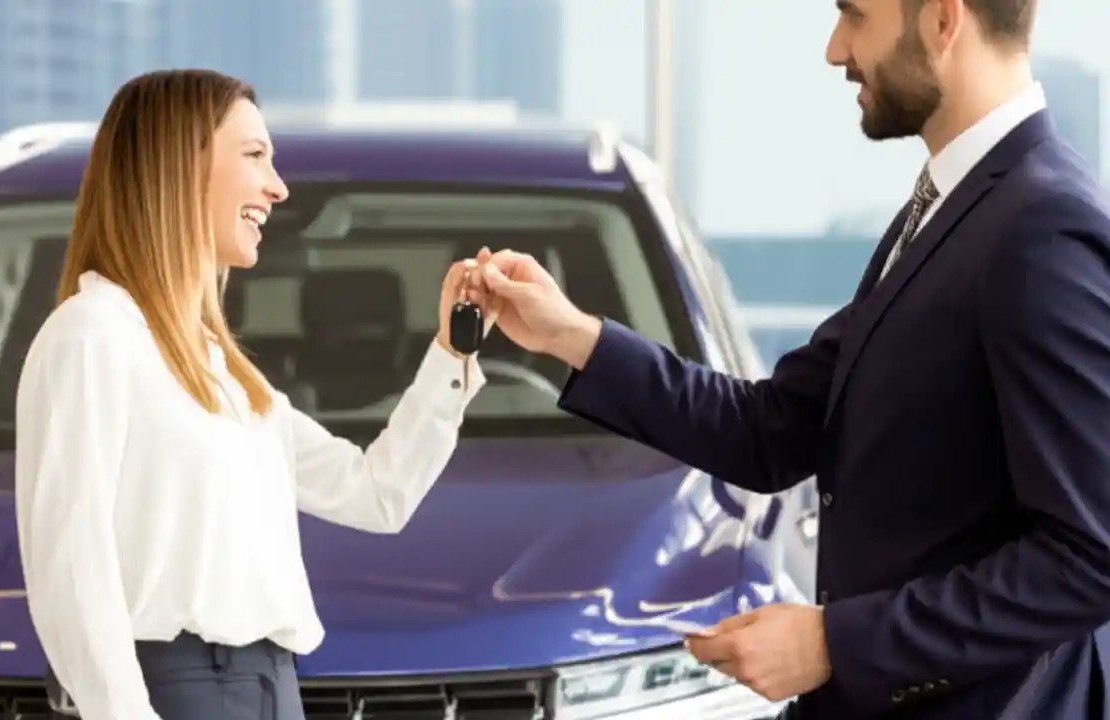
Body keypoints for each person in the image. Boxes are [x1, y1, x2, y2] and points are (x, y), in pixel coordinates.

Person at [466, 0, 1110, 717]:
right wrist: (569, 335)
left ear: (941, 19)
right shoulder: (948, 210)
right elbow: (771, 428)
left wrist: (836, 644)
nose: (836, 50)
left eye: (855, 16)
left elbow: (1090, 557)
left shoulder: (1042, 228)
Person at [14, 69, 490, 720]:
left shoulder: (227, 373)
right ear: (181, 167)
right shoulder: (92, 336)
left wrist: (453, 354)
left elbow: (377, 493)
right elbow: (72, 564)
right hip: (175, 690)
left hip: (271, 687)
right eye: (256, 156)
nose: (278, 186)